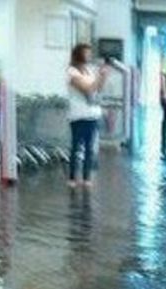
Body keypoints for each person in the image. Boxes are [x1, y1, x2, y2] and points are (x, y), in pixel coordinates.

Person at [67, 43, 109, 189]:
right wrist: (99, 77)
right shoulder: (72, 72)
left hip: (93, 115)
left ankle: (87, 178)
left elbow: (99, 88)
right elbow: (89, 89)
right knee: (76, 147)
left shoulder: (89, 71)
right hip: (79, 116)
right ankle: (72, 177)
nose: (89, 56)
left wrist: (103, 76)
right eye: (87, 53)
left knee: (90, 148)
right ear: (79, 54)